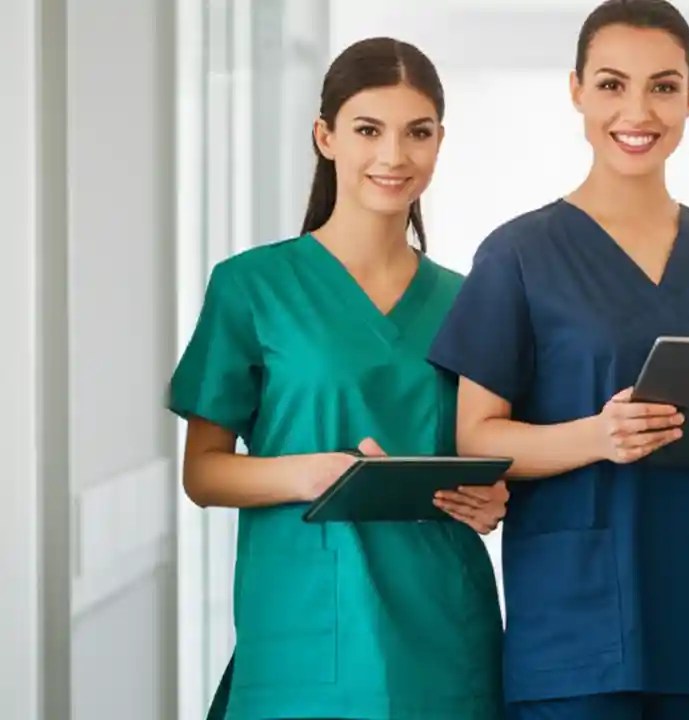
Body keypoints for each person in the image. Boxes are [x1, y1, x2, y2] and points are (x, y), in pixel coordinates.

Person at [426, 1, 689, 718]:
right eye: (611, 84)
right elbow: (477, 435)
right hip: (576, 623)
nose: (638, 110)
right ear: (576, 92)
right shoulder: (519, 255)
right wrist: (598, 435)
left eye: (662, 86)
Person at [169, 37, 508, 720]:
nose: (394, 156)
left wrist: (492, 500)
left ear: (440, 142)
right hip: (302, 618)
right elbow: (203, 474)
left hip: (442, 624)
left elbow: (487, 450)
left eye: (417, 133)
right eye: (367, 130)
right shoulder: (253, 287)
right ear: (326, 137)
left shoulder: (472, 300)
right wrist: (315, 473)